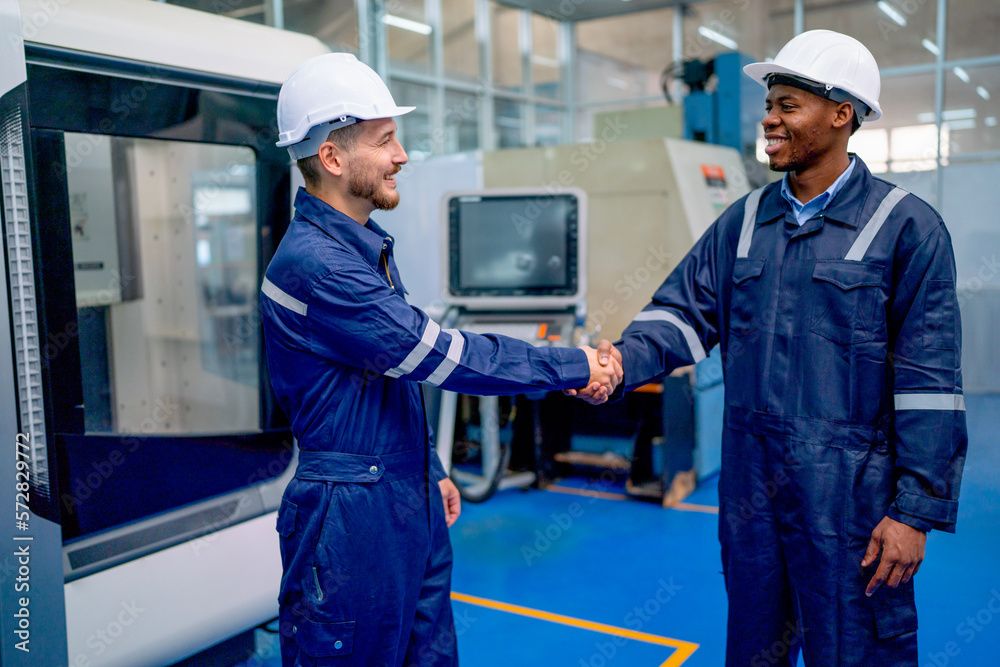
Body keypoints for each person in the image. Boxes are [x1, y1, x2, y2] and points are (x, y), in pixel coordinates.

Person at [575, 30, 967, 666]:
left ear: (842, 114)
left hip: (853, 508)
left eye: (788, 105)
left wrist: (914, 511)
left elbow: (929, 380)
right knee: (757, 649)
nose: (769, 120)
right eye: (769, 105)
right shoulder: (743, 222)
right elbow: (680, 314)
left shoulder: (906, 228)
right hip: (753, 496)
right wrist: (619, 363)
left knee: (857, 650)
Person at [260, 53, 621, 667]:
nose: (401, 156)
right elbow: (440, 356)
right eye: (386, 141)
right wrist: (575, 366)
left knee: (426, 654)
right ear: (332, 158)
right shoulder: (319, 266)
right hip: (351, 519)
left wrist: (426, 467)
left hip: (400, 495)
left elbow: (385, 377)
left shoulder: (361, 244)